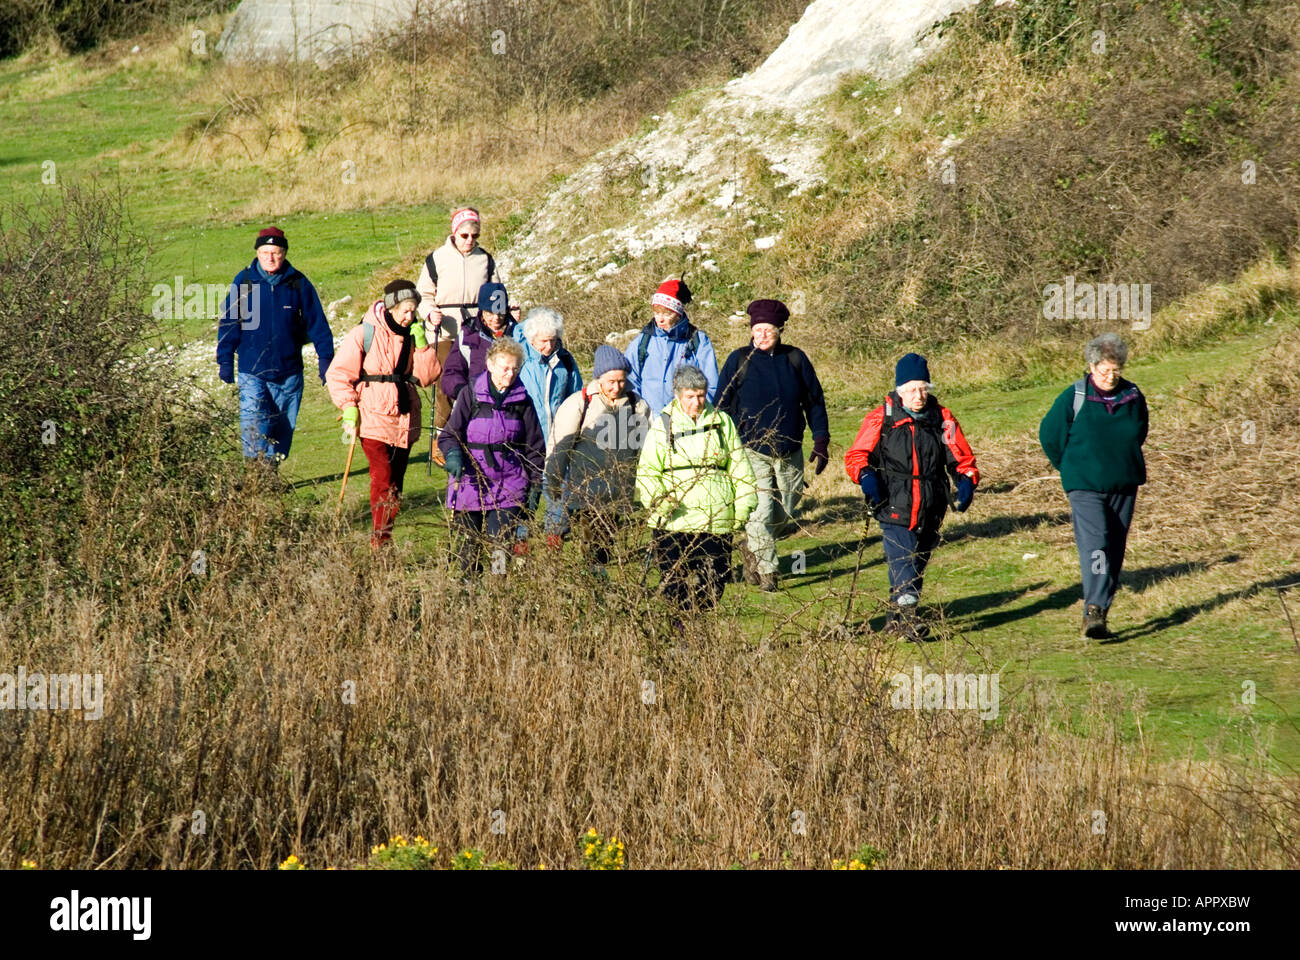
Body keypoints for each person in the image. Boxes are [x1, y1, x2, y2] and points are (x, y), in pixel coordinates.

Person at [843, 353, 979, 640]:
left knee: (916, 564)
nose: (919, 395)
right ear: (900, 389)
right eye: (912, 389)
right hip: (893, 502)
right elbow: (857, 456)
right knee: (903, 559)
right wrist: (867, 477)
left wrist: (966, 480)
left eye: (923, 388)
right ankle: (909, 620)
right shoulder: (882, 417)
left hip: (932, 504)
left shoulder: (942, 418)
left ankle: (895, 618)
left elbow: (959, 457)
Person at [1039, 333, 1148, 640]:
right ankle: (1095, 610)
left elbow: (1139, 431)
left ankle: (1100, 610)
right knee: (1096, 543)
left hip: (1123, 483)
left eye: (1116, 370)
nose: (1110, 376)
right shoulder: (1074, 396)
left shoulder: (1133, 395)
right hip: (1084, 486)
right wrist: (1071, 466)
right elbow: (1049, 435)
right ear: (1091, 366)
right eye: (1104, 371)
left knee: (1114, 545)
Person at [717, 298, 831, 591]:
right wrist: (726, 444)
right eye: (757, 329)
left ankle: (751, 546)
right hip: (751, 450)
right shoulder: (738, 360)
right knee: (761, 511)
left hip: (790, 448)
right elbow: (722, 405)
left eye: (768, 329)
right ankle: (769, 572)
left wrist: (820, 440)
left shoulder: (795, 359)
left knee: (787, 510)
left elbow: (814, 401)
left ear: (780, 330)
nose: (762, 335)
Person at [326, 280, 441, 549]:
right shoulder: (364, 333)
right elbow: (339, 374)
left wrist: (423, 347)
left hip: (405, 418)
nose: (409, 316)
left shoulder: (414, 335)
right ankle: (380, 540)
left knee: (396, 484)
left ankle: (383, 535)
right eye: (404, 310)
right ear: (390, 308)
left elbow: (428, 378)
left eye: (413, 310)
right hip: (372, 417)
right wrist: (349, 406)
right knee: (383, 477)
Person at [636, 364, 757, 612]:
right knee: (674, 584)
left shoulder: (722, 422)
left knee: (715, 583)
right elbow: (647, 472)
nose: (696, 402)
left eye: (701, 395)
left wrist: (743, 506)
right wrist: (661, 502)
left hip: (717, 519)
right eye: (690, 396)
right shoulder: (662, 426)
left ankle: (699, 632)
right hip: (674, 521)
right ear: (678, 395)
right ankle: (682, 632)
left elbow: (739, 466)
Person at [216, 226, 334, 463]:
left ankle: (269, 476)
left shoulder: (299, 283)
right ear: (258, 253)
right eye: (265, 252)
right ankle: (254, 474)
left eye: (276, 252)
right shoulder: (245, 281)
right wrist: (225, 360)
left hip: (289, 372)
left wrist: (326, 360)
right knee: (253, 424)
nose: (270, 257)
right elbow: (229, 322)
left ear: (284, 253)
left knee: (282, 429)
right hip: (252, 371)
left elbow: (317, 323)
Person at [439, 338, 545, 575]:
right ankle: (469, 590)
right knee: (469, 547)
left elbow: (535, 448)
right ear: (490, 364)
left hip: (510, 484)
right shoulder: (470, 395)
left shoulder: (523, 401)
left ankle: (499, 596)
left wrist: (536, 483)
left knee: (501, 548)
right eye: (505, 367)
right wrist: (454, 456)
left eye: (515, 368)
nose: (510, 374)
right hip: (471, 480)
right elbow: (448, 436)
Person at [544, 345, 652, 574]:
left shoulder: (637, 406)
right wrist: (552, 481)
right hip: (585, 493)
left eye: (621, 381)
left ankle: (597, 588)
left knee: (605, 548)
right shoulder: (580, 404)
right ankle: (591, 586)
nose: (616, 387)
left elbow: (647, 451)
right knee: (593, 545)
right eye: (611, 381)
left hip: (618, 494)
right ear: (599, 378)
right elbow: (560, 446)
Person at [623, 278, 719, 415]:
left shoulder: (698, 340)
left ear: (678, 314)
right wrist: (638, 413)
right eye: (657, 313)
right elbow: (631, 381)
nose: (660, 319)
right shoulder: (642, 341)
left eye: (667, 314)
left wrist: (697, 412)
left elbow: (711, 384)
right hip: (649, 421)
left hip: (687, 421)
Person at [439, 282, 518, 406]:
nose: (496, 318)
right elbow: (452, 373)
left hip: (512, 405)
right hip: (474, 406)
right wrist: (464, 393)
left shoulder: (519, 335)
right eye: (490, 313)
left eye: (501, 313)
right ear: (481, 311)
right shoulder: (468, 335)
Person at [514, 306, 583, 443]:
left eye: (553, 340)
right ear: (531, 338)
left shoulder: (565, 360)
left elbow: (576, 396)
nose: (549, 346)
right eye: (544, 341)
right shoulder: (519, 359)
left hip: (560, 435)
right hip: (527, 437)